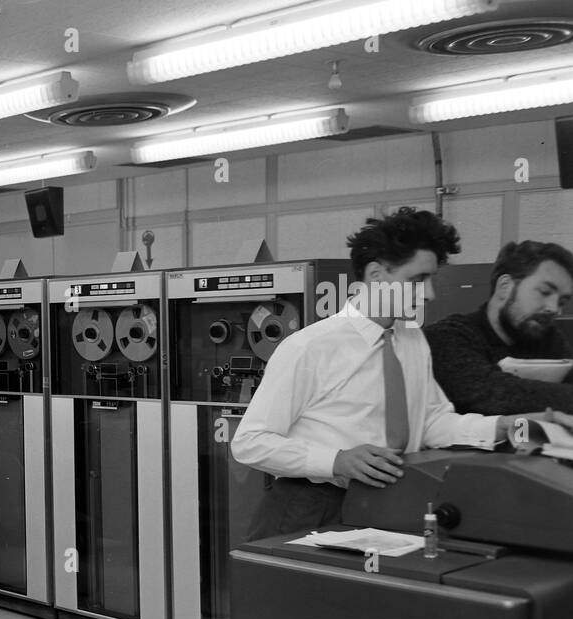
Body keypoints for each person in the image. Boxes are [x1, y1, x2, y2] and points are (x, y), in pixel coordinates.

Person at [231, 207, 554, 543]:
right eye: (417, 280)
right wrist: (336, 460)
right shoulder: (310, 348)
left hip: (389, 499)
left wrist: (499, 426)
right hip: (311, 507)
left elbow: (431, 422)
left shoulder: (412, 340)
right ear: (376, 275)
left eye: (431, 280)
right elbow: (251, 442)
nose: (428, 294)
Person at [424, 240, 573, 414]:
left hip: (532, 439)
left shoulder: (549, 339)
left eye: (562, 301)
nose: (554, 308)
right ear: (505, 286)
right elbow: (491, 393)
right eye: (545, 292)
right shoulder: (449, 337)